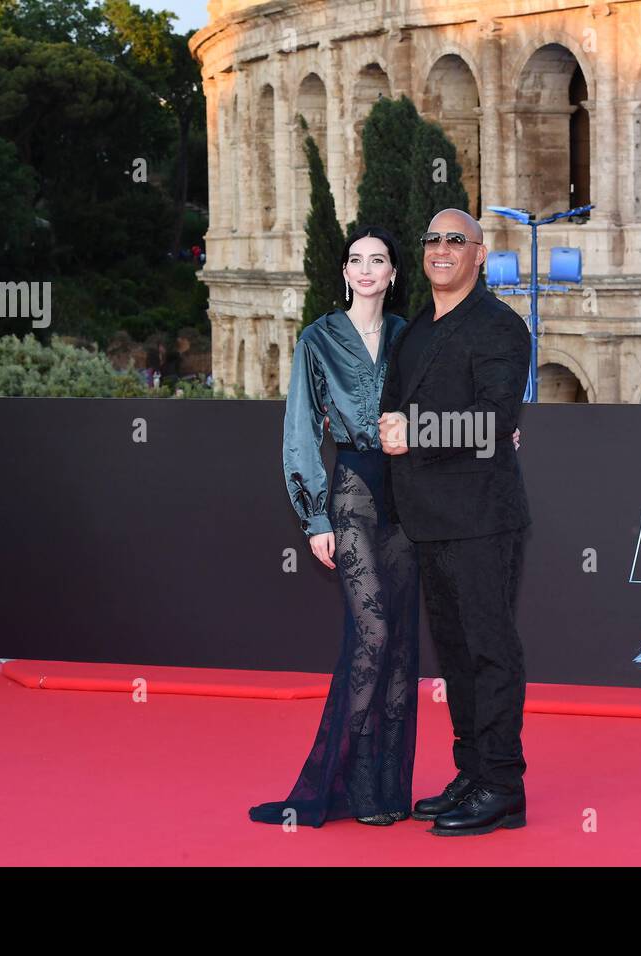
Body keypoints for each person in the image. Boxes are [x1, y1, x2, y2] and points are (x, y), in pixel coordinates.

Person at [248, 226, 420, 827]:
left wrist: (490, 430)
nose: (367, 269)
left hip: (407, 495)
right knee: (371, 634)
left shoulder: (408, 336)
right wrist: (313, 515)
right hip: (351, 490)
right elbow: (301, 433)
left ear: (394, 273)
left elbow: (436, 406)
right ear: (343, 272)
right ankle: (356, 778)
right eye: (356, 260)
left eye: (378, 260)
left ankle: (391, 783)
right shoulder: (317, 339)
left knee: (399, 643)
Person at [378, 208, 532, 837]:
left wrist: (414, 432)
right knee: (457, 655)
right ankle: (471, 773)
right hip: (428, 519)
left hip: (481, 519)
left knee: (490, 650)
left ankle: (503, 785)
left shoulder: (500, 327)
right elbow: (394, 407)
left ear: (479, 254)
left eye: (455, 241)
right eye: (433, 239)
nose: (441, 249)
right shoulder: (416, 327)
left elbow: (495, 421)